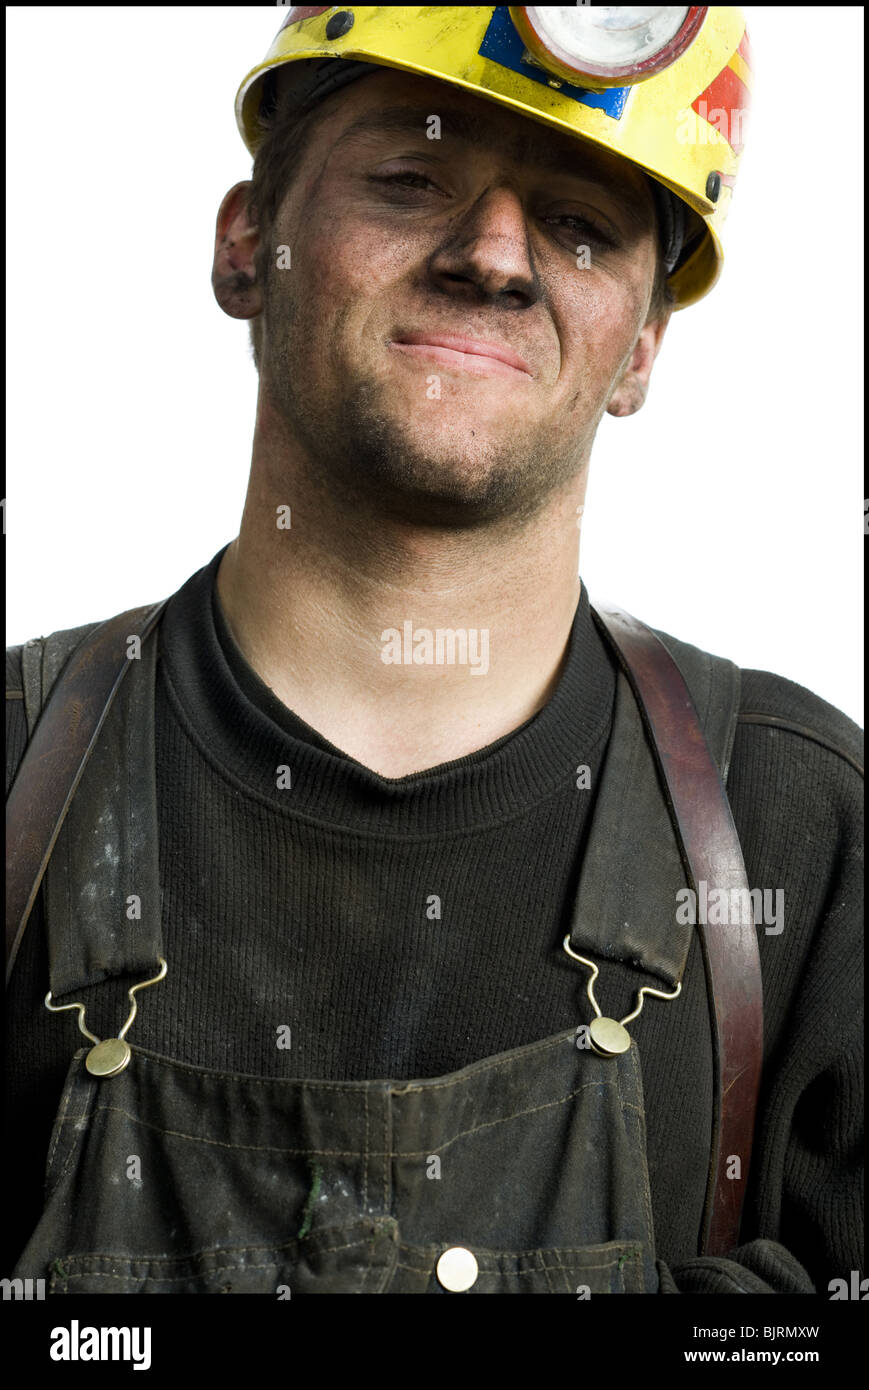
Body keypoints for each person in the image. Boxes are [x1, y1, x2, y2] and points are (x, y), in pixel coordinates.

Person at [4, 6, 862, 1296]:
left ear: (643, 346)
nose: (495, 258)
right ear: (248, 244)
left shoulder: (803, 831)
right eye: (412, 180)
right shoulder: (18, 777)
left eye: (579, 226)